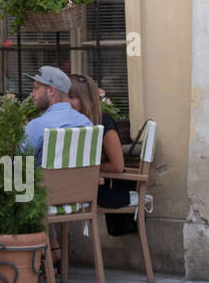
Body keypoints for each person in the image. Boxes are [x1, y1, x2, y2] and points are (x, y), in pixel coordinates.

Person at [71, 72, 138, 236]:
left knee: (40, 198)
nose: (63, 103)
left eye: (70, 98)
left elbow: (117, 166)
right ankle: (52, 250)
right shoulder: (73, 123)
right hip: (87, 184)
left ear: (83, 99)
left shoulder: (103, 122)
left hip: (108, 189)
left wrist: (87, 169)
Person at [21, 66, 92, 164]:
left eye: (36, 88)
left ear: (51, 91)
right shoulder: (86, 123)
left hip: (42, 179)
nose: (32, 94)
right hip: (80, 179)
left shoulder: (37, 126)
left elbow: (18, 169)